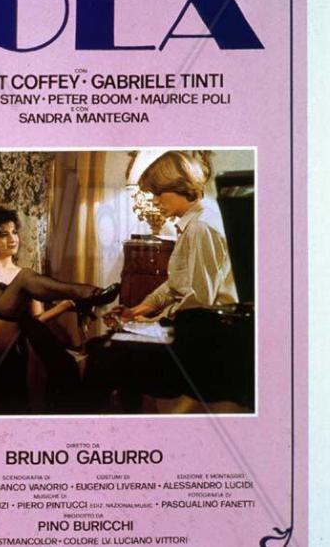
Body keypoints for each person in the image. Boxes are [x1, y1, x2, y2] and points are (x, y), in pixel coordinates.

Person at [84, 151, 239, 412]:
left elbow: (199, 302)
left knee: (102, 353)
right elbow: (174, 285)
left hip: (206, 340)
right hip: (193, 328)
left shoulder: (201, 227)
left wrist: (152, 321)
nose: (154, 201)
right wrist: (136, 311)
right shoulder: (194, 222)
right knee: (110, 346)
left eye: (158, 193)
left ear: (179, 185)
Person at [0, 206, 119, 414]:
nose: (12, 239)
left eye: (14, 232)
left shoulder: (28, 278)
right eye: (3, 234)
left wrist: (64, 306)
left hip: (15, 339)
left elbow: (36, 320)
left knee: (31, 318)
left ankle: (58, 409)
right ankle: (90, 293)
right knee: (25, 278)